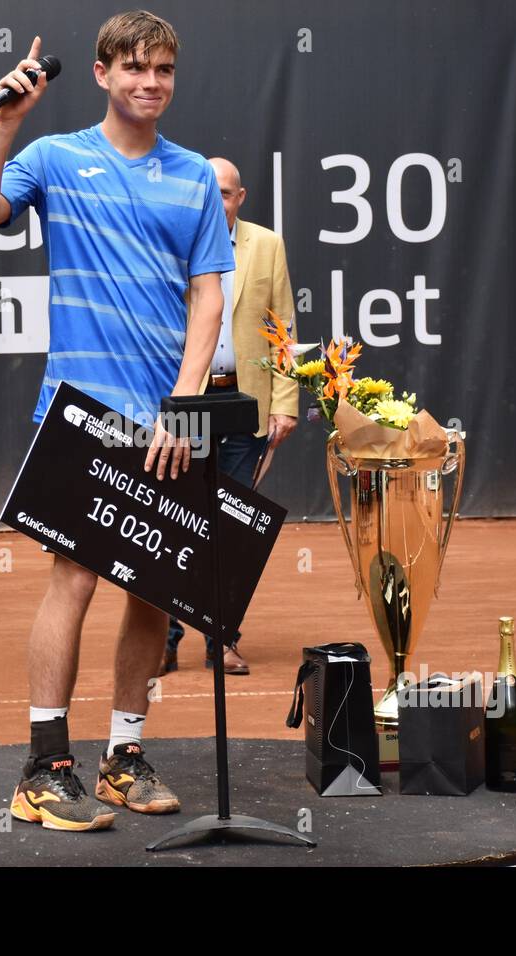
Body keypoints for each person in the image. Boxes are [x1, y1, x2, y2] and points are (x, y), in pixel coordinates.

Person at [0, 11, 235, 832]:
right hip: (80, 415)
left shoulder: (191, 177)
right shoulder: (51, 156)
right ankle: (44, 767)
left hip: (169, 422)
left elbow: (208, 293)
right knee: (74, 580)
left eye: (164, 70)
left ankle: (124, 755)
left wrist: (183, 406)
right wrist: (5, 123)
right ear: (106, 74)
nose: (151, 82)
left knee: (156, 592)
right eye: (135, 68)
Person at [160, 157, 299, 678]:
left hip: (245, 407)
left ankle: (224, 639)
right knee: (175, 524)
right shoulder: (173, 239)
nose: (216, 201)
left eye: (225, 193)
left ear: (240, 198)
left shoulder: (267, 245)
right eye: (207, 191)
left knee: (232, 529)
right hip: (184, 406)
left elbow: (281, 326)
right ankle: (166, 639)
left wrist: (285, 401)